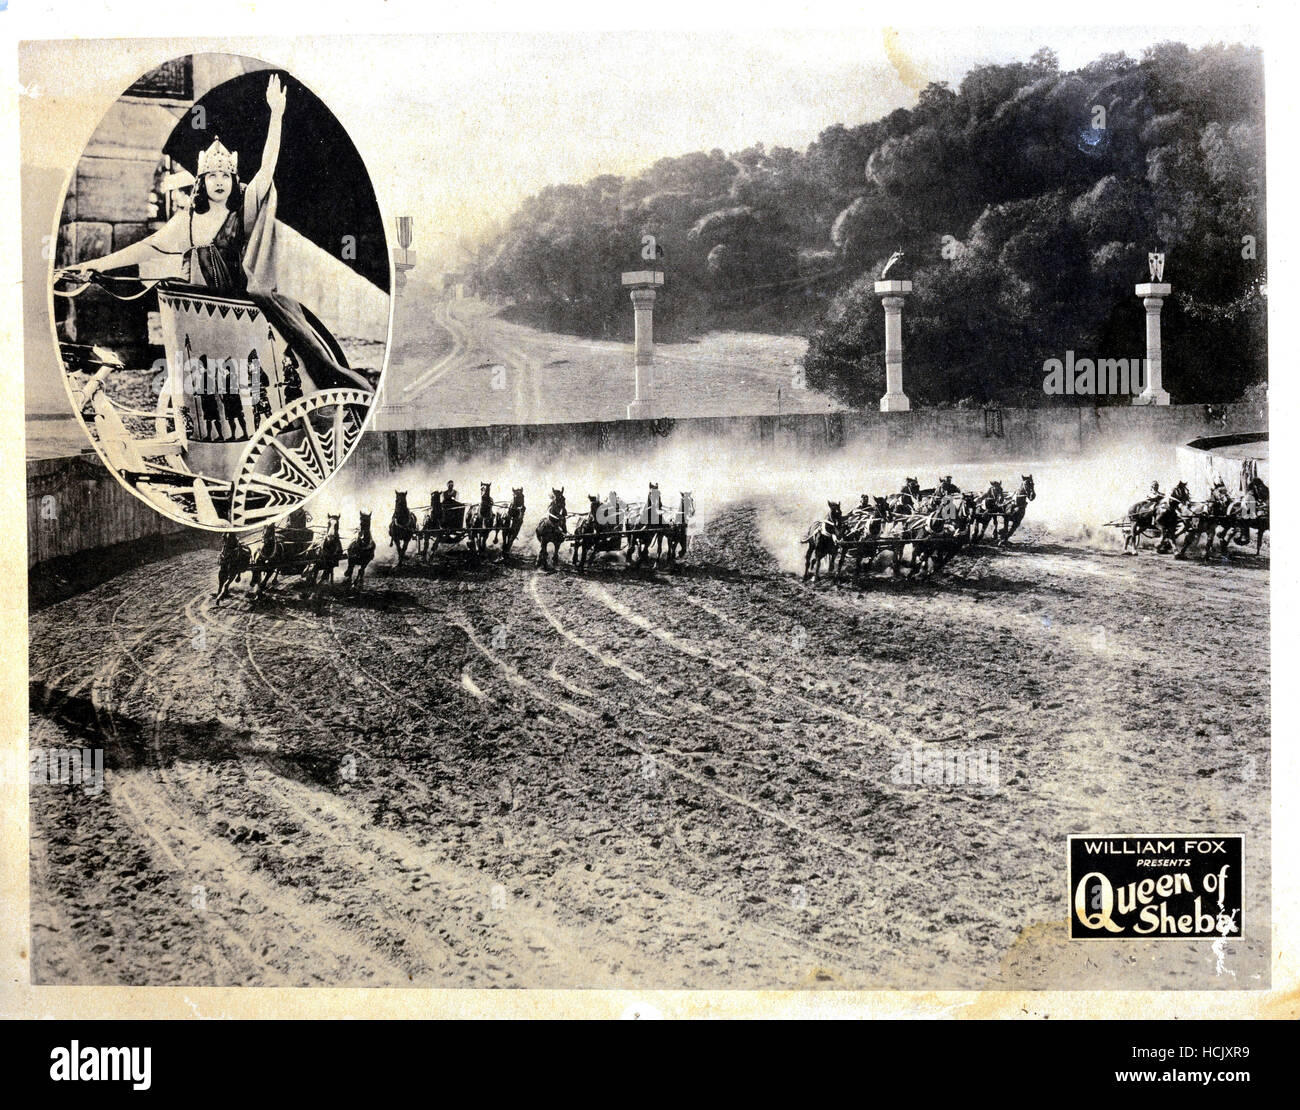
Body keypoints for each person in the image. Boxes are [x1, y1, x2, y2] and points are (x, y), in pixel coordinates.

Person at [56, 73, 370, 396]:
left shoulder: (242, 211)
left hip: (235, 310)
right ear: (201, 182)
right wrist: (96, 265)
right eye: (212, 175)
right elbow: (146, 247)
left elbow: (266, 170)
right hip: (197, 316)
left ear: (233, 180)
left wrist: (276, 115)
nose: (219, 181)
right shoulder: (187, 222)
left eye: (225, 175)